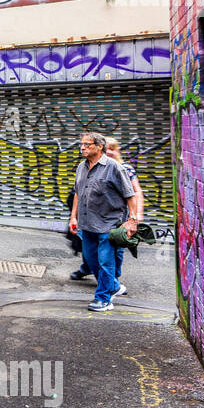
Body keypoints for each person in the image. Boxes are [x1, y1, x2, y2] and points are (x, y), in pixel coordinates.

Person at [69, 132, 141, 311]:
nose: (82, 147)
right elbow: (78, 192)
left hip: (109, 224)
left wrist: (132, 220)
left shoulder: (114, 168)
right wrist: (73, 216)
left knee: (105, 262)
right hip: (87, 224)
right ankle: (114, 286)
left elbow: (130, 195)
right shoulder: (81, 167)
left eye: (87, 144)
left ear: (99, 146)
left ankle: (103, 299)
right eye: (82, 144)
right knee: (92, 261)